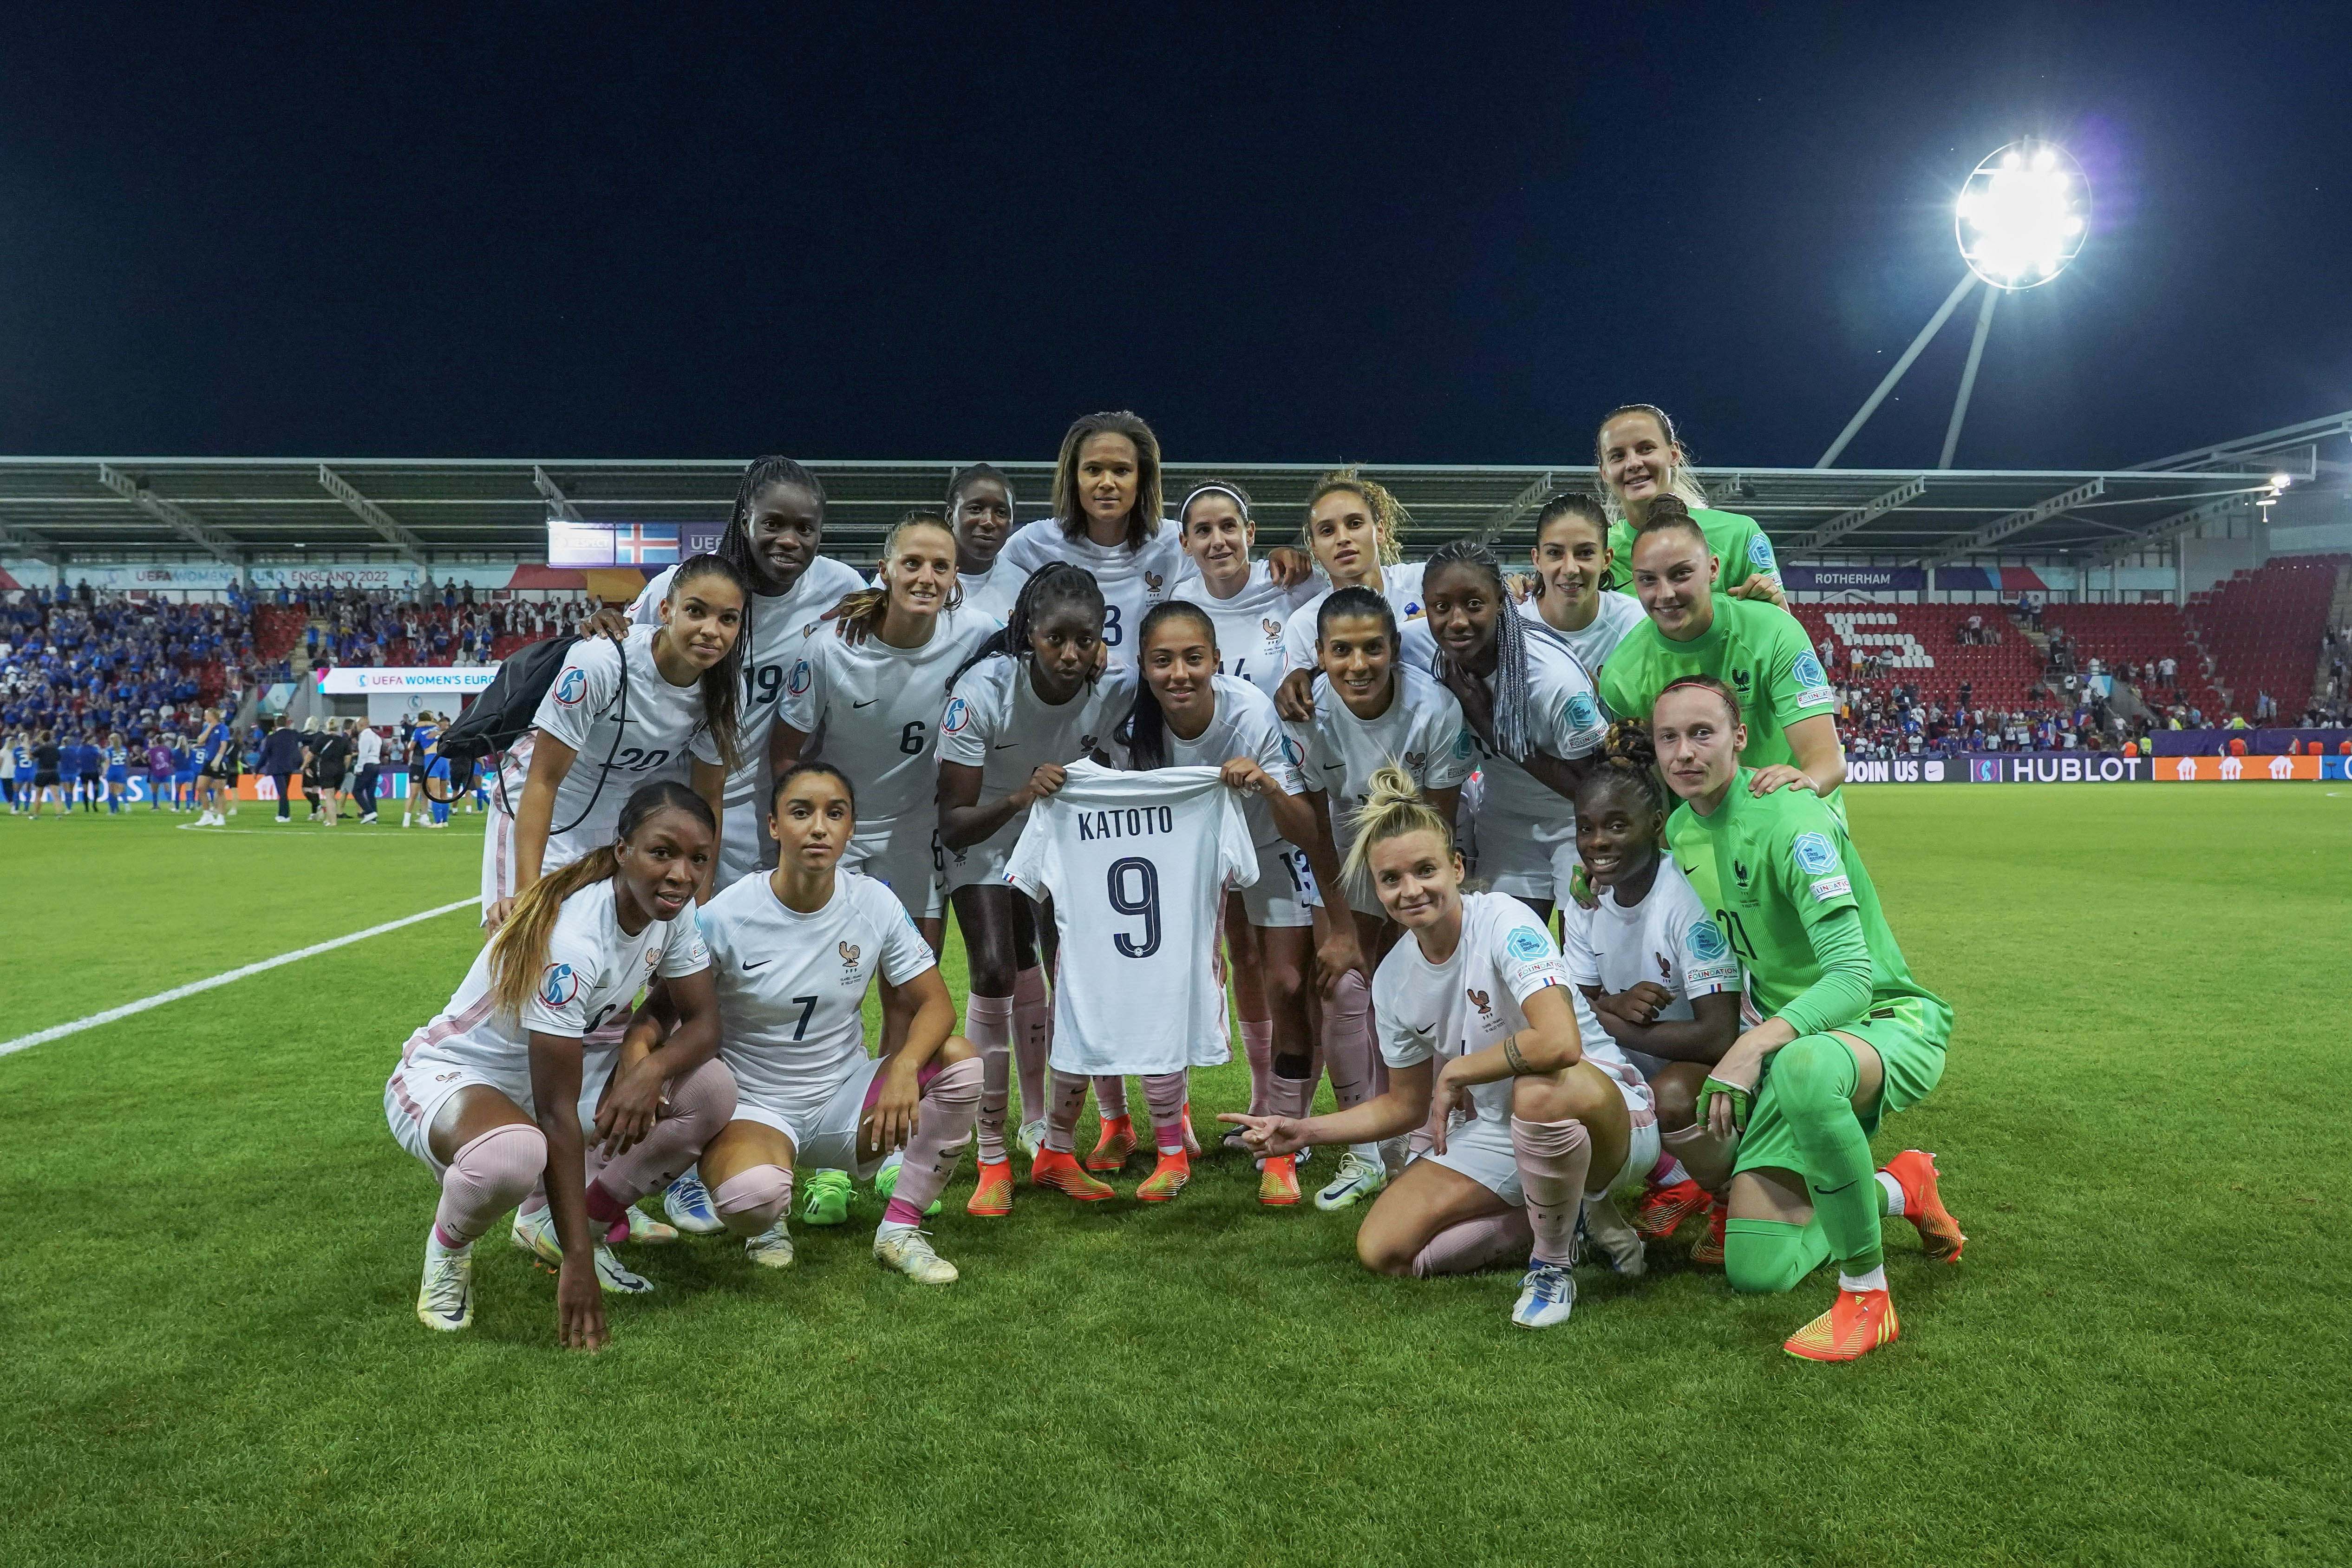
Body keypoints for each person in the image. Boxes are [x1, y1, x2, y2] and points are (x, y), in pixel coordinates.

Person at [1221, 765, 1659, 1330]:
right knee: (1384, 1249)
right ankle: (1564, 1214)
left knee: (1539, 1090)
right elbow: (1404, 1106)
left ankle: (1551, 1267)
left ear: (1456, 868)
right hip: (1507, 1127)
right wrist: (1303, 1130)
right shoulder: (1393, 978)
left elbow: (1558, 1043)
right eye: (1392, 879)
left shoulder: (1504, 918)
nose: (1411, 890)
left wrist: (1456, 1073)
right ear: (1376, 890)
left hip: (1607, 1113)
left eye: (1426, 870)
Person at [1650, 676, 1964, 1360]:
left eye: (1702, 733)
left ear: (1738, 738)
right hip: (1794, 1034)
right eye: (1668, 737)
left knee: (1801, 1065)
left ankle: (1867, 1293)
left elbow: (1851, 979)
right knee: (1757, 1271)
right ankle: (1898, 1187)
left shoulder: (1793, 817)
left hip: (1883, 1018)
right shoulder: (1680, 830)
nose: (1684, 753)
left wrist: (1750, 1046)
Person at [382, 782, 732, 1347]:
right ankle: (450, 1249)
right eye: (662, 852)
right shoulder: (573, 938)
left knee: (709, 1091)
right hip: (457, 1077)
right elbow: (555, 1113)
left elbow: (705, 1024)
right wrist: (578, 1265)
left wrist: (648, 1067)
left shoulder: (673, 912)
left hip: (563, 1074)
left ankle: (566, 1218)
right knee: (515, 1154)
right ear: (623, 850)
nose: (681, 874)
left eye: (698, 859)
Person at [692, 761, 983, 1283]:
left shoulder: (872, 901)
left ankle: (900, 1231)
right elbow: (678, 1014)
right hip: (755, 1105)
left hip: (845, 1102)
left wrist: (904, 1066)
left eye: (835, 813)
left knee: (961, 1063)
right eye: (801, 813)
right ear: (774, 825)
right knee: (751, 1200)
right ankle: (767, 1220)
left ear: (851, 828)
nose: (819, 827)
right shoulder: (725, 914)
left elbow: (937, 1004)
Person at [1111, 601, 1354, 1205]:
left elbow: (1306, 828)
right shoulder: (1131, 727)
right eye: (1162, 661)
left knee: (1289, 983)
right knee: (1166, 984)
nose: (1179, 674)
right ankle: (1173, 1142)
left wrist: (1268, 783)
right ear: (1143, 667)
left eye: (1194, 658)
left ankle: (1281, 1142)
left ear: (1217, 661)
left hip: (1268, 848)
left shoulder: (1249, 713)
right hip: (1182, 857)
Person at [934, 563, 1135, 1210]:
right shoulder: (982, 691)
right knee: (994, 969)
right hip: (989, 834)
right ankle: (991, 1156)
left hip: (1061, 838)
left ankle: (1052, 1143)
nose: (1072, 654)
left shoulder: (1112, 689)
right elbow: (955, 825)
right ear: (1029, 633)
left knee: (1067, 972)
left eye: (1086, 639)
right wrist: (1023, 794)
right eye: (1057, 640)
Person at [1282, 587, 1472, 1210]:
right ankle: (1364, 1152)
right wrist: (1340, 928)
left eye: (1372, 648)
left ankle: (1427, 1143)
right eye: (1341, 651)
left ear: (1395, 649)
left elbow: (1438, 828)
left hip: (1418, 854)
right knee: (1341, 984)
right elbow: (1314, 827)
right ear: (1319, 655)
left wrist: (1414, 921)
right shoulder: (1306, 717)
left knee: (1428, 986)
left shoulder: (1434, 708)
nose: (1358, 664)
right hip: (1344, 853)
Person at [608, 457, 870, 892]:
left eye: (805, 529)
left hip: (761, 810)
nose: (788, 540)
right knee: (662, 947)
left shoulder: (841, 587)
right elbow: (627, 664)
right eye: (773, 524)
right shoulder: (685, 587)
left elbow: (901, 605)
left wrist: (871, 607)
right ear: (746, 518)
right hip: (672, 796)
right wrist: (604, 624)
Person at [1006, 755, 1261, 1203]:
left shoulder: (1205, 792)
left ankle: (1170, 1156)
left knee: (1119, 1029)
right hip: (1123, 951)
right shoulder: (1062, 794)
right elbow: (1245, 873)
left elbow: (1027, 879)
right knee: (1084, 1035)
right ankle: (1057, 1155)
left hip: (1139, 952)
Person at [1595, 501, 1848, 909]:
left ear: (1713, 569)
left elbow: (1826, 760)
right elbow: (1655, 788)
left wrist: (1794, 800)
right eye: (1648, 580)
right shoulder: (1624, 674)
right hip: (1698, 845)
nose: (1665, 594)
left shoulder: (1772, 630)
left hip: (1792, 826)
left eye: (1681, 574)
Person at [1560, 723, 1744, 1264]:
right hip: (1639, 1053)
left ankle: (1727, 1199)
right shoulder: (1585, 899)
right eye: (1586, 828)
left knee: (1672, 1097)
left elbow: (1717, 1036)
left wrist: (1617, 1022)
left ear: (1657, 826)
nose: (1598, 843)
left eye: (1617, 826)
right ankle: (1672, 1182)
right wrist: (1614, 1005)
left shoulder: (1686, 899)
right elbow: (1573, 1005)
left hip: (1713, 1065)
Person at [497, 554, 749, 924]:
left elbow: (709, 798)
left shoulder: (727, 690)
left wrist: (701, 906)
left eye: (728, 619)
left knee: (602, 947)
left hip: (615, 817)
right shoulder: (601, 663)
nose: (712, 630)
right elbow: (543, 781)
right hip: (540, 806)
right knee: (525, 941)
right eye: (696, 611)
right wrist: (526, 892)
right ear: (666, 610)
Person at [1419, 538, 1609, 927]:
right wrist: (1304, 674)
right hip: (1504, 824)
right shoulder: (1434, 652)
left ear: (1501, 603)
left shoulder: (1552, 679)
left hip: (1575, 823)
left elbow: (1597, 788)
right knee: (1508, 950)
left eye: (1474, 605)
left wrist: (1493, 728)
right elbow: (1369, 648)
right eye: (1441, 608)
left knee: (1585, 963)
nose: (1456, 621)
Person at [1593, 404, 1784, 604]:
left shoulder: (1738, 535)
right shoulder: (1598, 554)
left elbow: (1784, 629)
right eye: (1617, 456)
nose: (1633, 463)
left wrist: (1774, 602)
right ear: (1604, 472)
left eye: (1646, 449)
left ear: (1674, 455)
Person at [1169, 480, 1320, 698]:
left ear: (1250, 533)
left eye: (1228, 526)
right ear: (1186, 543)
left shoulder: (1291, 581)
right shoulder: (1180, 601)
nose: (1218, 541)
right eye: (1203, 531)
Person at [1277, 470, 1429, 677]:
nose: (1343, 538)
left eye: (1355, 524)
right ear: (1314, 547)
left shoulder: (1425, 583)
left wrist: (1430, 631)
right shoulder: (1304, 624)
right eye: (1327, 531)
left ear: (1380, 531)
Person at [1521, 491, 1646, 678]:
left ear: (1606, 559)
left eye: (1585, 553)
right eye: (1555, 553)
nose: (1570, 569)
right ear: (1537, 559)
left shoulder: (1634, 624)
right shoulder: (1512, 622)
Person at [944, 463, 1026, 624]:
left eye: (1001, 513)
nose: (989, 522)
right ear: (950, 516)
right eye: (976, 509)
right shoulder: (913, 578)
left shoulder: (1026, 588)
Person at [258, 717, 307, 823]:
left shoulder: (272, 738)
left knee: (283, 792)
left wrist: (257, 769)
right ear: (286, 723)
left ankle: (285, 816)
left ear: (276, 724)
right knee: (284, 792)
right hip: (289, 767)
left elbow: (265, 755)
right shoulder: (293, 734)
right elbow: (306, 738)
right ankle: (282, 813)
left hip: (276, 769)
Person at [310, 719, 354, 827]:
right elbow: (348, 757)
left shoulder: (322, 739)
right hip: (340, 770)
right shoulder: (343, 741)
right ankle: (329, 819)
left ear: (327, 727)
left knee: (329, 795)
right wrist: (344, 769)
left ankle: (333, 822)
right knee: (332, 795)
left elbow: (311, 754)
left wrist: (304, 766)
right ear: (338, 728)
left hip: (327, 769)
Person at [353, 722, 384, 823]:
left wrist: (359, 768)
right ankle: (373, 819)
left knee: (356, 791)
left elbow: (363, 754)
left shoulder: (365, 737)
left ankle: (370, 812)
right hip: (376, 764)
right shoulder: (377, 737)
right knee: (371, 793)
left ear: (362, 725)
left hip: (368, 765)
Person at [29, 729, 63, 818]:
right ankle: (59, 814)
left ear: (42, 738)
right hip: (53, 772)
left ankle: (36, 815)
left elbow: (31, 757)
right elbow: (59, 758)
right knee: (56, 796)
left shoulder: (40, 748)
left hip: (42, 772)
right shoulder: (55, 747)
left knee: (39, 795)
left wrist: (30, 746)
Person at [144, 735, 175, 811]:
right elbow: (172, 761)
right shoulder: (168, 749)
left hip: (155, 772)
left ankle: (155, 806)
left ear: (156, 742)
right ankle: (171, 806)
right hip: (166, 772)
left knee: (155, 791)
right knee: (167, 789)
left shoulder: (152, 750)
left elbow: (150, 761)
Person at [103, 730, 129, 813]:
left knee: (112, 791)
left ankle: (113, 810)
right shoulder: (124, 749)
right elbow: (127, 761)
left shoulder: (109, 750)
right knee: (121, 789)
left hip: (112, 770)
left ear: (111, 740)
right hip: (121, 770)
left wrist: (104, 772)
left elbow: (108, 761)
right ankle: (125, 805)